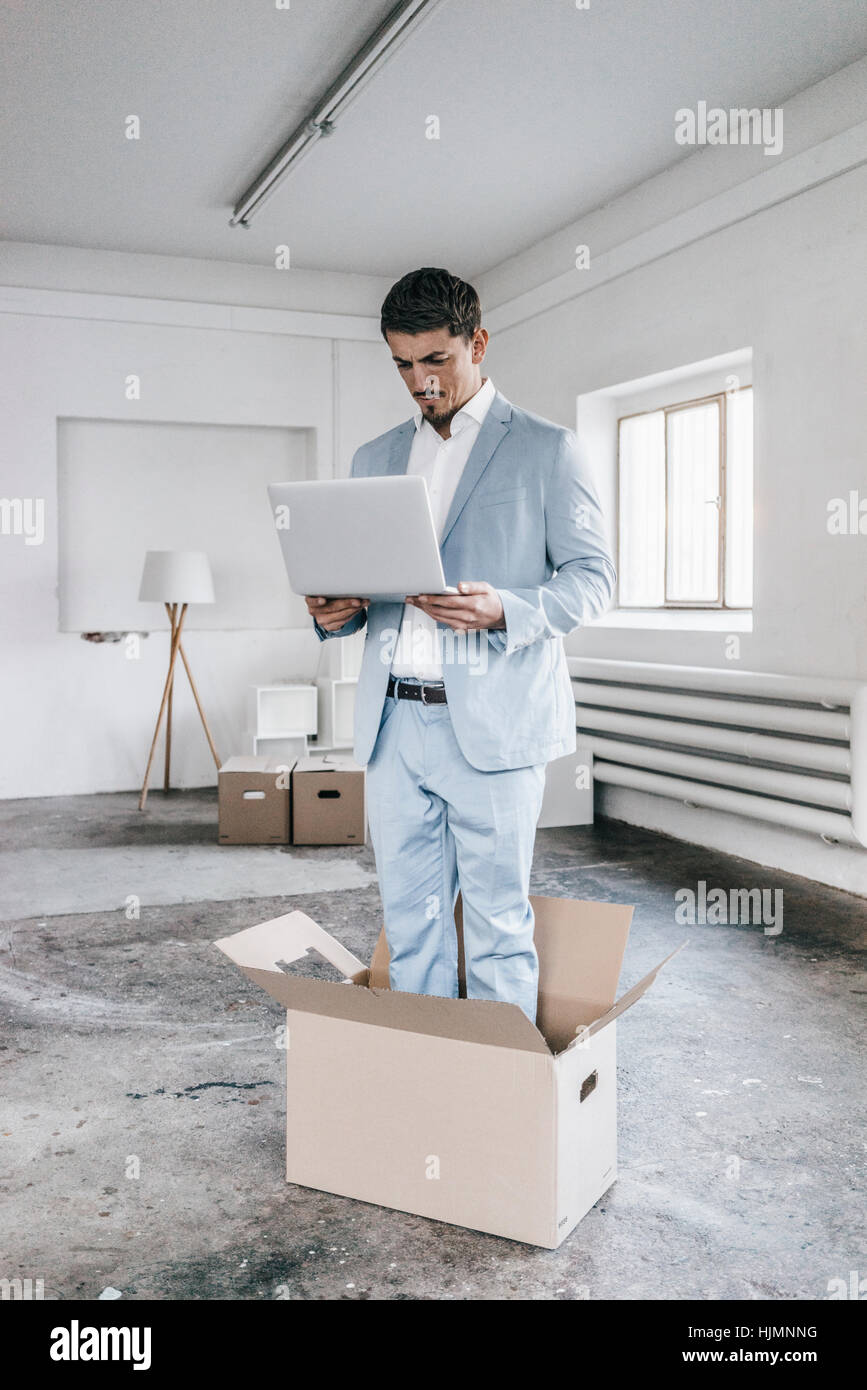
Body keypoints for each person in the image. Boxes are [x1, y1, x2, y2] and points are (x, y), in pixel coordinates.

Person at [305, 267, 615, 1025]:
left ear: (476, 343)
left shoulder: (548, 449)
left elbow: (592, 582)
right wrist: (333, 609)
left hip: (494, 723)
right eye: (403, 364)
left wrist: (502, 608)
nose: (420, 381)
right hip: (391, 723)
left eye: (435, 359)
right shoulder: (373, 459)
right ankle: (427, 1079)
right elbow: (357, 601)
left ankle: (501, 1091)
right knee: (408, 922)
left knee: (498, 924)